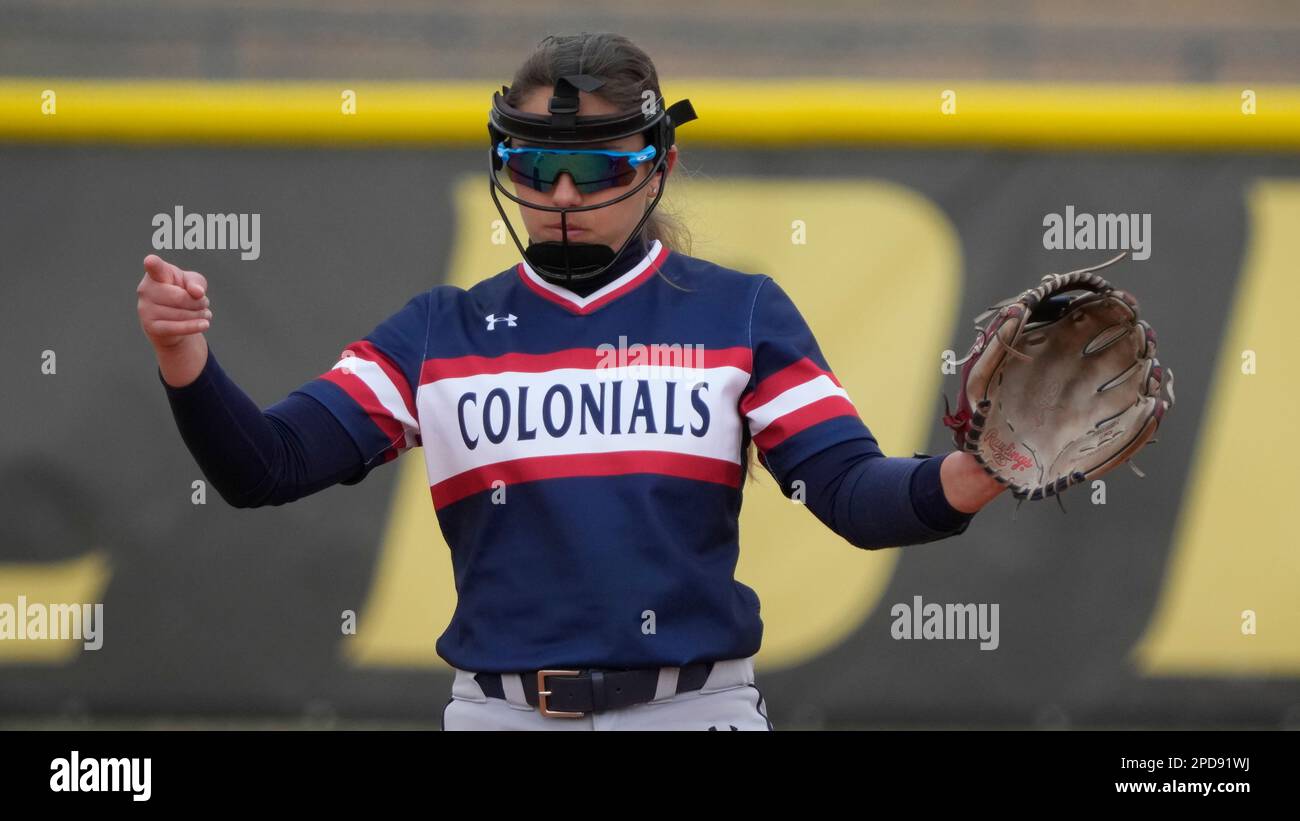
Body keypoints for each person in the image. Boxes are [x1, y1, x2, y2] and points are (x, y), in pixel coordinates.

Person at [137, 32, 1005, 731]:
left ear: (659, 164)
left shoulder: (739, 314)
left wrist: (969, 474)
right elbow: (266, 467)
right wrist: (186, 357)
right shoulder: (440, 331)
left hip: (697, 708)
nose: (557, 192)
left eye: (593, 168)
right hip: (497, 713)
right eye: (528, 164)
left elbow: (853, 493)